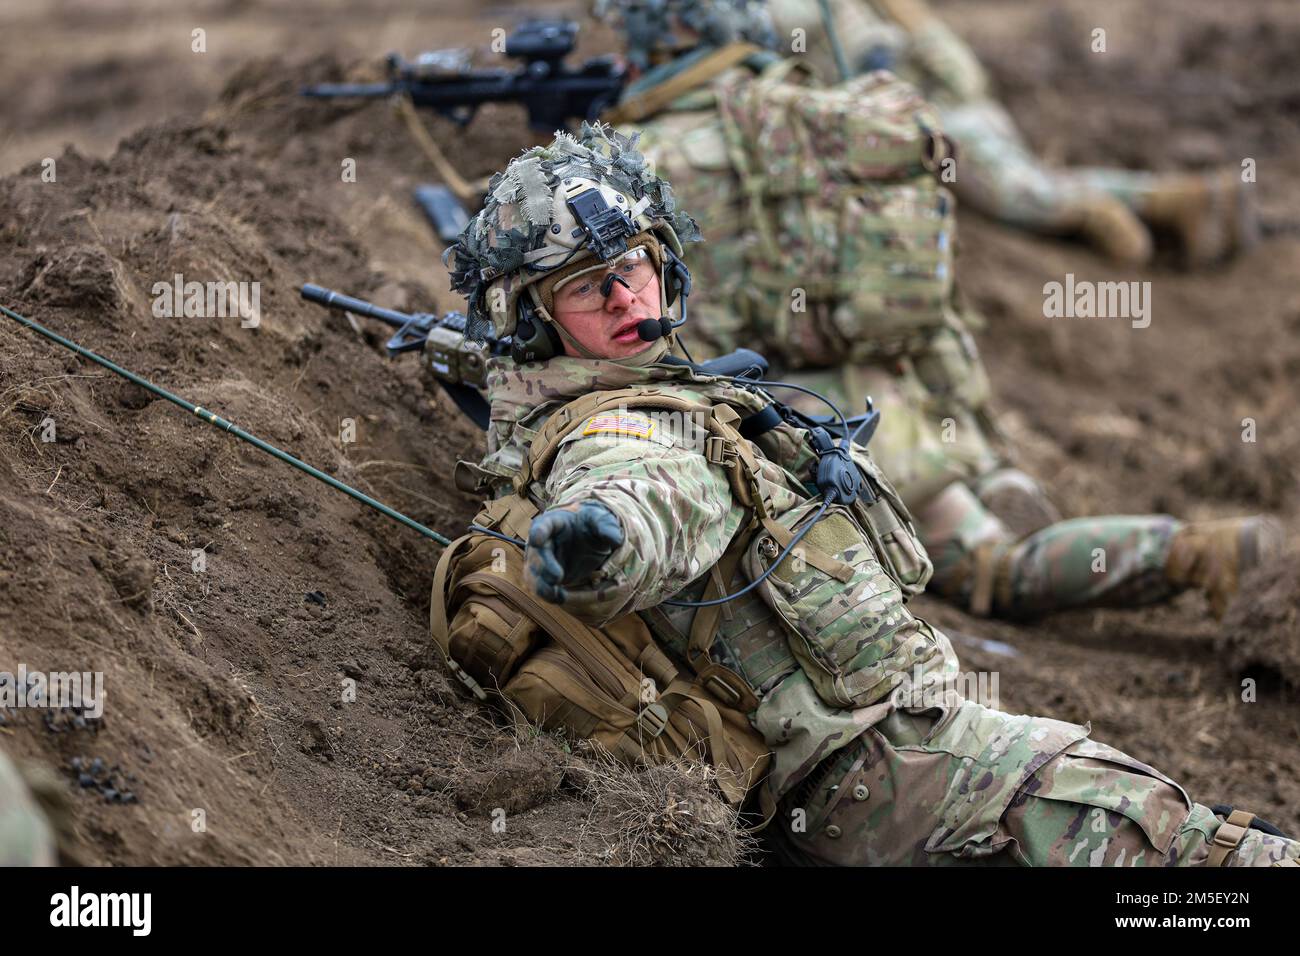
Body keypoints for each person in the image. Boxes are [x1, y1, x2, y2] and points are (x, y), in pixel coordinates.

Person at [435, 122, 1297, 866]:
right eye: (589, 287)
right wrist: (602, 543)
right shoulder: (619, 432)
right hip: (889, 769)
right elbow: (651, 500)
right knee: (1187, 848)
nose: (630, 298)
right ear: (535, 320)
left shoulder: (628, 397)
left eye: (636, 264)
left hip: (876, 783)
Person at [590, 0, 1280, 621]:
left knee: (996, 570)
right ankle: (997, 477)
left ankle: (1193, 553)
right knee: (977, 501)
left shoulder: (640, 163)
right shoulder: (811, 111)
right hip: (911, 382)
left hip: (822, 416)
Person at [765, 0, 1258, 267]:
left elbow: (905, 22)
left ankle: (1146, 204)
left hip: (921, 94)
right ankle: (1167, 200)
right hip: (900, 102)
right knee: (1019, 177)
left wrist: (933, 65)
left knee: (1014, 186)